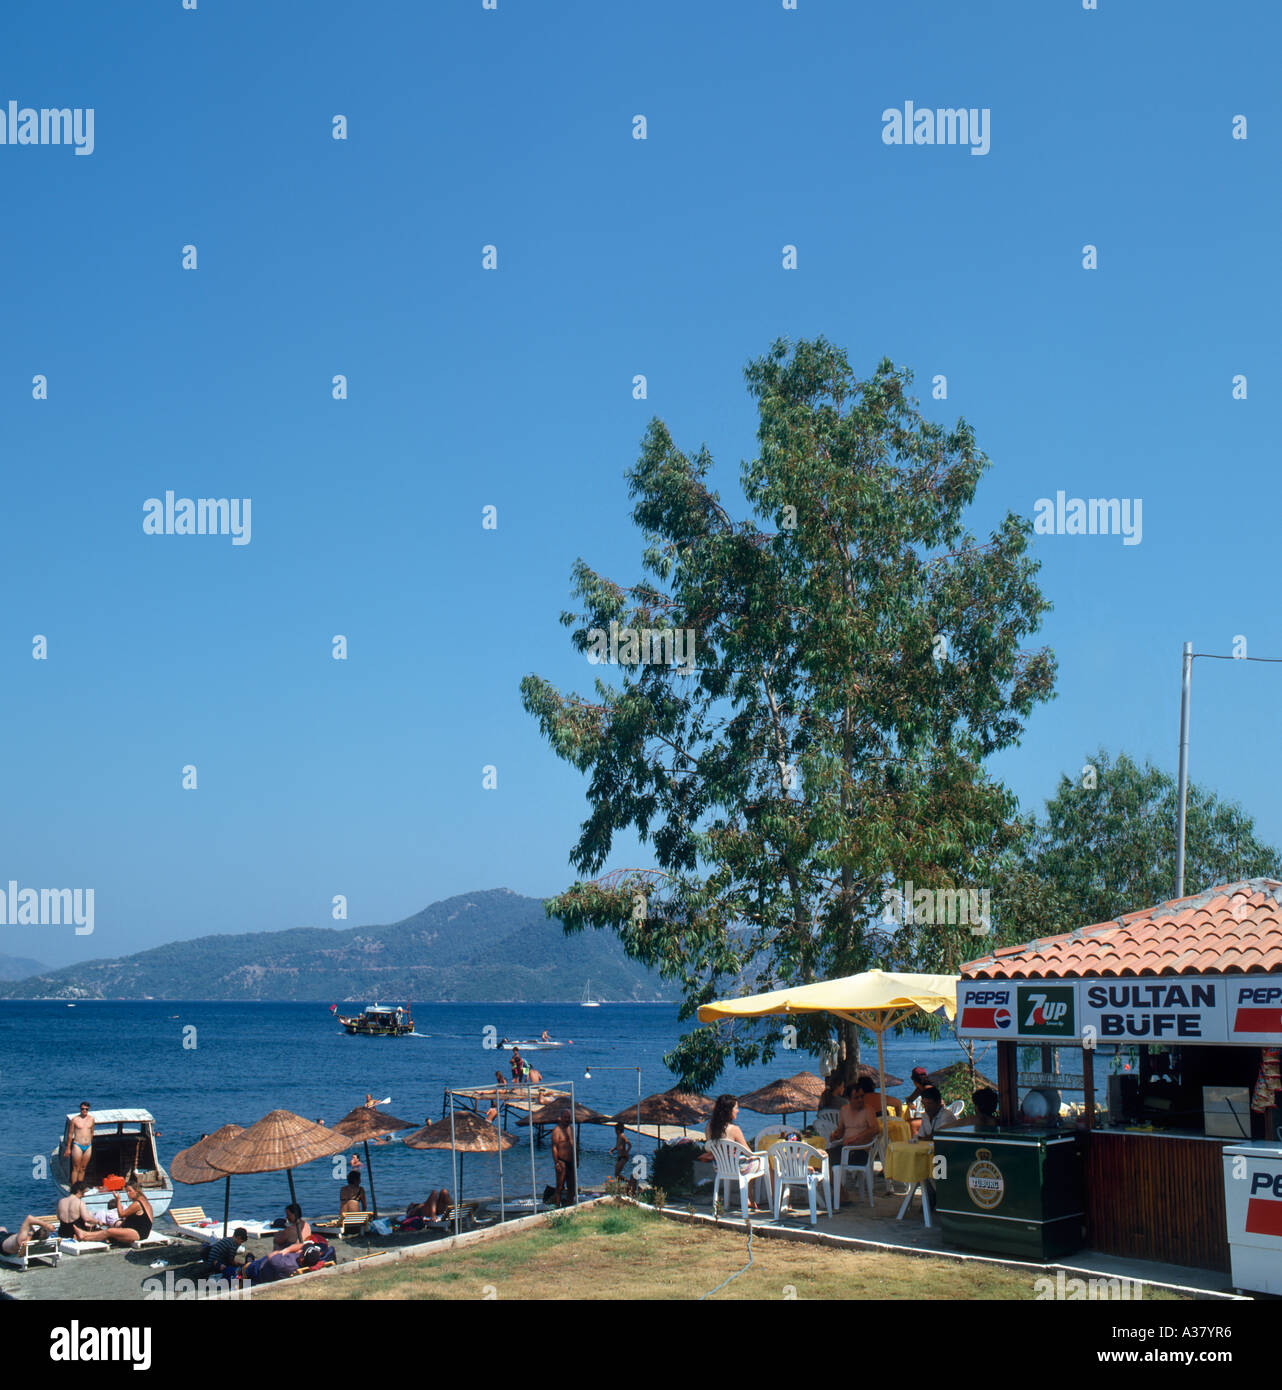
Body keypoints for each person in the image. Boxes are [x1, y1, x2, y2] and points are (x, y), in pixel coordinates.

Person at [73, 1177, 153, 1245]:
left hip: (138, 1233)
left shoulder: (137, 1204)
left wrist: (118, 1200)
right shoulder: (144, 1200)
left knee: (109, 1231)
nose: (128, 1194)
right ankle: (88, 1234)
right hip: (141, 1231)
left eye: (129, 1191)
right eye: (126, 1191)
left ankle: (84, 1236)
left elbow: (121, 1214)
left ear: (136, 1191)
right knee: (113, 1226)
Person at [827, 1078, 880, 1171]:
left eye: (862, 1096)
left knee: (834, 1159)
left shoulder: (868, 1110)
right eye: (856, 1097)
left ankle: (837, 1184)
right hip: (846, 1149)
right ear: (848, 1099)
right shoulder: (844, 1110)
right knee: (825, 1155)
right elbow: (841, 1130)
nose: (860, 1100)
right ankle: (836, 1184)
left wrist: (855, 1138)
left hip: (861, 1150)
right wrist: (835, 1136)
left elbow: (875, 1129)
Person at [551, 1111, 577, 1207]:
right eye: (565, 1117)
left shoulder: (571, 1129)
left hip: (571, 1161)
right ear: (561, 1118)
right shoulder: (557, 1131)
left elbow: (574, 1145)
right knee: (560, 1186)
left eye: (569, 1117)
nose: (567, 1119)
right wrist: (556, 1163)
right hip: (561, 1161)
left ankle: (569, 1205)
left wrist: (577, 1158)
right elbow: (554, 1147)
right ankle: (557, 1205)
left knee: (572, 1186)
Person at [66, 1102, 94, 1186]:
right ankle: (74, 1187)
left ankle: (79, 1187)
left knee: (83, 1168)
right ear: (80, 1109)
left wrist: (90, 1142)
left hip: (88, 1145)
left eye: (86, 1109)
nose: (84, 1110)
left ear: (88, 1109)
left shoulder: (91, 1119)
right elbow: (70, 1134)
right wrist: (68, 1148)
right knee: (75, 1167)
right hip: (77, 1145)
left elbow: (92, 1132)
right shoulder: (75, 1119)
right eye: (82, 1109)